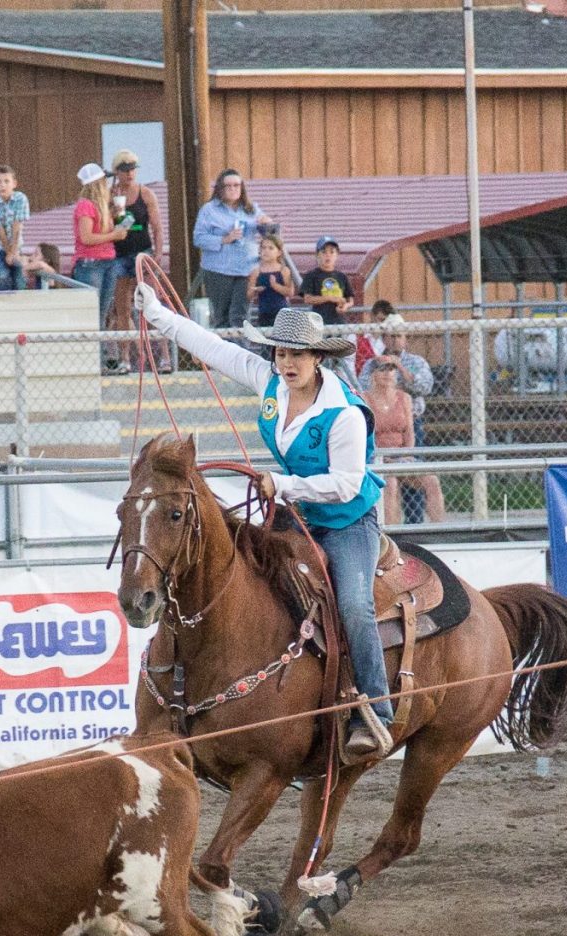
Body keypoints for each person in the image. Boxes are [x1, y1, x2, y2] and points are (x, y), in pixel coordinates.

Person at [134, 287, 396, 761]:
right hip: (294, 515)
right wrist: (156, 314)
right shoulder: (271, 383)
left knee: (355, 604)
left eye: (296, 354)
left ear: (317, 357)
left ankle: (374, 708)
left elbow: (347, 483)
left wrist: (286, 485)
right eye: (280, 352)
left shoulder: (344, 413)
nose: (286, 362)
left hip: (346, 521)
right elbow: (214, 348)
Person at [366, 357, 443, 528]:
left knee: (431, 480)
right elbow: (365, 437)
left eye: (391, 369)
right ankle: (393, 536)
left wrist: (407, 455)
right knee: (390, 483)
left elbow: (409, 431)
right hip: (376, 458)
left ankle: (440, 529)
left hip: (402, 457)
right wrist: (384, 458)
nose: (387, 373)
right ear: (373, 374)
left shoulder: (404, 398)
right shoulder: (365, 399)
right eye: (382, 369)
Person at [193, 168, 272, 329]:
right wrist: (224, 239)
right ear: (220, 189)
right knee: (222, 317)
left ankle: (240, 351)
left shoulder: (251, 209)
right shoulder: (209, 210)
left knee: (240, 315)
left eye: (236, 185)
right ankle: (223, 353)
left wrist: (267, 223)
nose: (232, 189)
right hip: (219, 270)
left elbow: (271, 235)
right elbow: (198, 238)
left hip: (246, 269)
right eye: (228, 185)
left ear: (242, 188)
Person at [68, 161, 127, 333]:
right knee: (91, 315)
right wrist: (113, 235)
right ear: (98, 183)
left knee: (101, 314)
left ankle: (99, 358)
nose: (107, 184)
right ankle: (93, 357)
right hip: (91, 263)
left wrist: (117, 216)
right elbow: (86, 237)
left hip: (107, 261)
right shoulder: (85, 205)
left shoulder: (102, 206)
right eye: (104, 181)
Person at [108, 149, 161, 325]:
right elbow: (103, 223)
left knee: (151, 302)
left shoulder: (145, 193)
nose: (129, 174)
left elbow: (156, 227)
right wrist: (111, 213)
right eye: (124, 170)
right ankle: (124, 352)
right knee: (122, 307)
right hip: (120, 253)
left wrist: (158, 253)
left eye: (132, 169)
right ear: (117, 172)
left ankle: (161, 350)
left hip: (142, 250)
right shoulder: (111, 195)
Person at [0, 164, 29, 293]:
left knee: (19, 277)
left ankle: (19, 301)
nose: (2, 185)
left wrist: (13, 251)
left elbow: (17, 226)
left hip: (16, 245)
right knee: (1, 275)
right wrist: (8, 251)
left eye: (6, 181)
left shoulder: (21, 199)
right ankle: (2, 301)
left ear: (14, 183)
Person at [299, 235, 355, 324]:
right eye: (324, 252)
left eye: (332, 252)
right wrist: (329, 298)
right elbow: (307, 299)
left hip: (339, 321)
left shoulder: (342, 276)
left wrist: (345, 306)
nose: (328, 255)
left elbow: (350, 299)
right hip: (319, 322)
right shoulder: (311, 275)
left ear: (337, 255)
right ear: (317, 255)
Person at [249, 233, 296, 326]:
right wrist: (254, 291)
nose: (266, 251)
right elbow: (249, 295)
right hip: (264, 312)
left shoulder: (283, 270)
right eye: (263, 248)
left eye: (271, 248)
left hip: (282, 313)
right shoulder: (256, 271)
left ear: (279, 252)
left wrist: (275, 286)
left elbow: (290, 292)